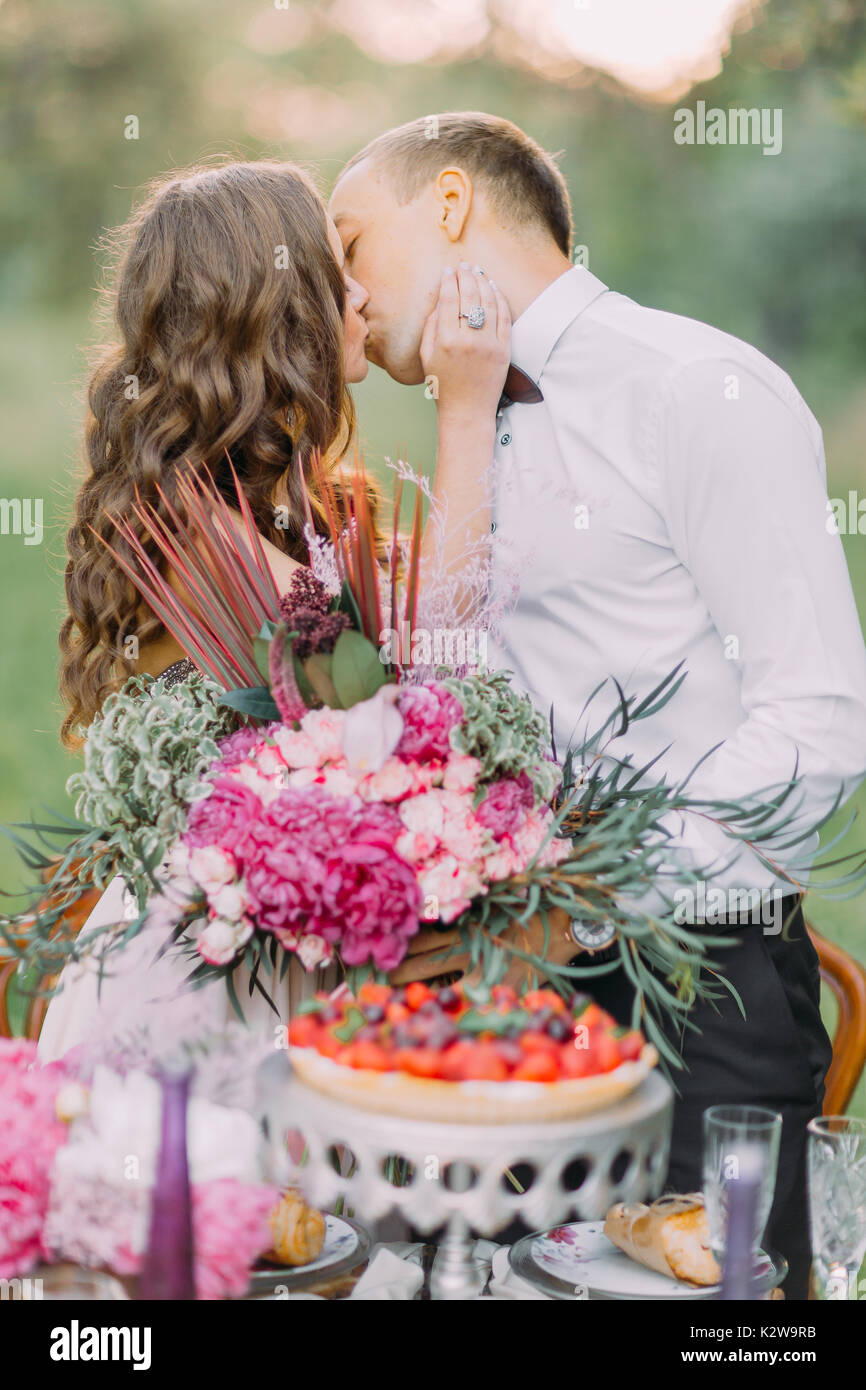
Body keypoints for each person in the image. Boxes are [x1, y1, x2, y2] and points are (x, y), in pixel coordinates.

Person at [329, 111, 866, 1296]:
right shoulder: (459, 432)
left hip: (707, 1001)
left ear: (452, 206)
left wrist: (585, 894)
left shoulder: (698, 388)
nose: (346, 299)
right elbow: (448, 700)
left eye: (354, 245)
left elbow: (819, 725)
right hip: (535, 1012)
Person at [41, 157, 509, 1062]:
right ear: (279, 306)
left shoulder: (298, 498)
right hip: (213, 995)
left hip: (286, 951)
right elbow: (409, 673)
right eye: (340, 274)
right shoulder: (187, 522)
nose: (364, 296)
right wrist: (465, 413)